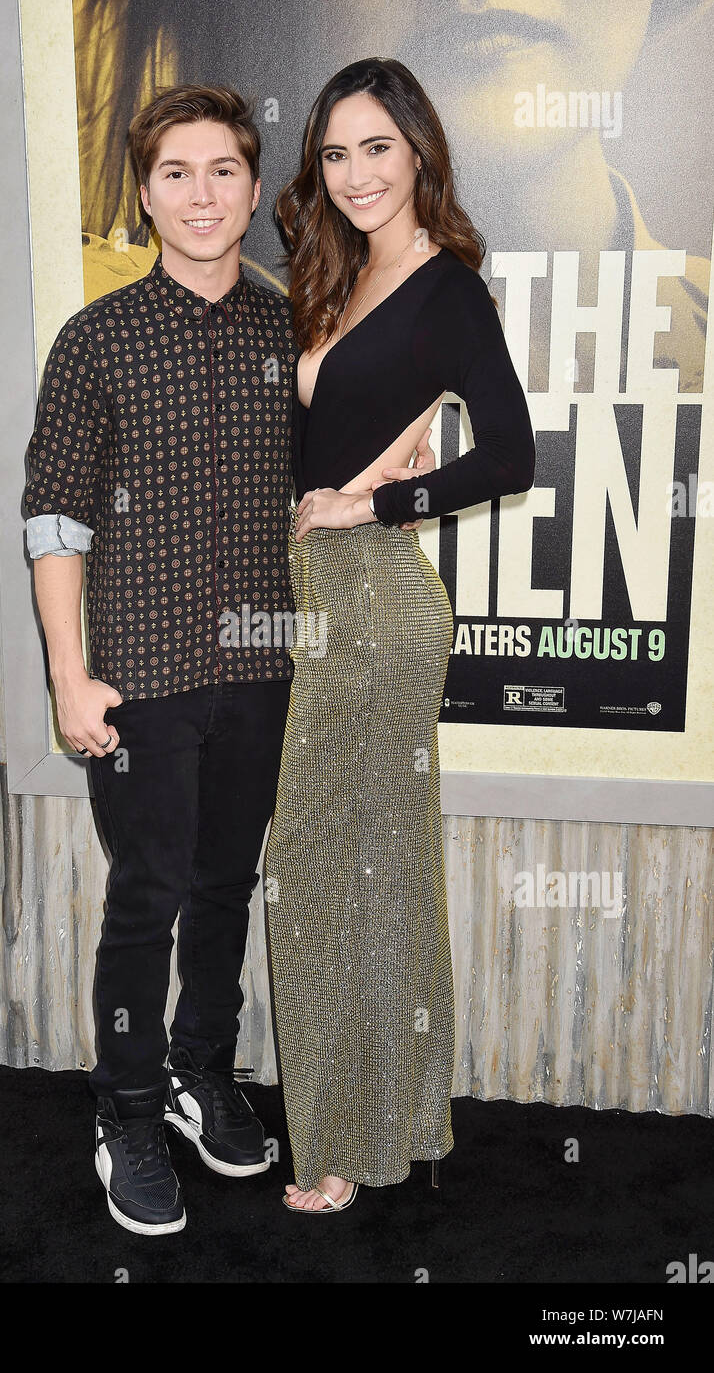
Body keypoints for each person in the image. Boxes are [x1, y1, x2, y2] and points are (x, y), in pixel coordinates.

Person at [21, 85, 302, 1236]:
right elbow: (54, 520)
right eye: (176, 173)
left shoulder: (290, 328)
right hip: (136, 679)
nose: (201, 193)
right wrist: (67, 676)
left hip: (259, 670)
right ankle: (128, 1113)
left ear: (252, 186)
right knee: (146, 901)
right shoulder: (96, 340)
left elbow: (335, 473)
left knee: (228, 885)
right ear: (145, 194)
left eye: (223, 170)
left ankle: (199, 1073)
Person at [265, 58, 536, 1213]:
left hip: (376, 602)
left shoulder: (447, 288)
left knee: (323, 874)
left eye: (378, 147)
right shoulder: (338, 274)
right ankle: (397, 1119)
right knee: (365, 870)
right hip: (319, 595)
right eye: (336, 152)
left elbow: (513, 455)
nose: (358, 172)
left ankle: (344, 1147)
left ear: (420, 150)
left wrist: (378, 501)